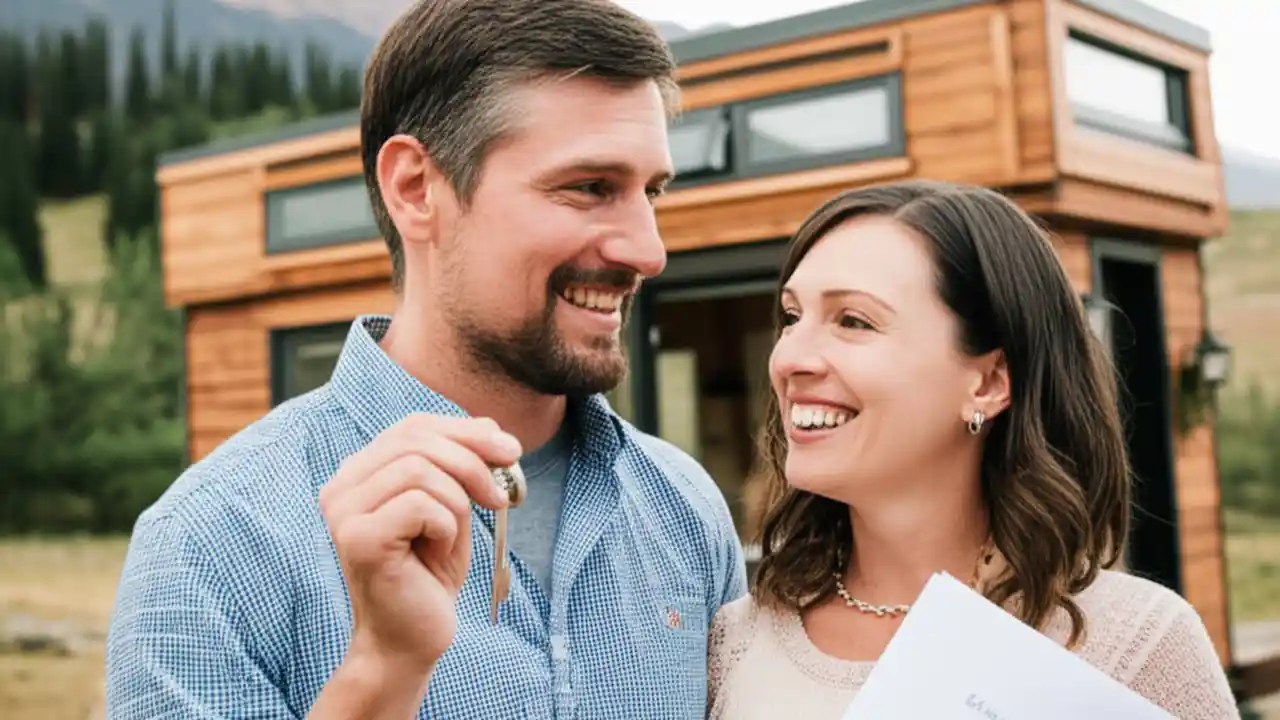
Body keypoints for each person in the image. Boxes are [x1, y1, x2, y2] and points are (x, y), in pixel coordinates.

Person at [104, 1, 746, 717]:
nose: (648, 250)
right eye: (590, 187)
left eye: (650, 192)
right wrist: (382, 669)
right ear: (415, 189)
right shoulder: (210, 543)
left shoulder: (685, 509)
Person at [706, 180, 1239, 719]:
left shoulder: (1135, 646)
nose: (790, 357)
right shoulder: (736, 643)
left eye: (853, 321)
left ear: (988, 383)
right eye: (793, 317)